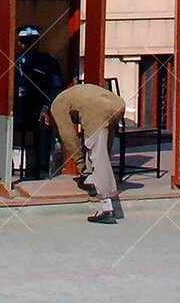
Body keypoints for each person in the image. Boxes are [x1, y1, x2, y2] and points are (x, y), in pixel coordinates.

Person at [49, 82, 125, 223]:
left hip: (97, 108)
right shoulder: (73, 94)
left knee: (98, 156)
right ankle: (92, 180)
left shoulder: (56, 105)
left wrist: (80, 164)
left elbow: (68, 136)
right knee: (100, 150)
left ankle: (107, 208)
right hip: (117, 103)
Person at [13, 26, 64, 180]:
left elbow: (55, 87)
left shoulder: (48, 61)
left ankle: (42, 167)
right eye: (23, 41)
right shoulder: (14, 60)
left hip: (38, 106)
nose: (26, 45)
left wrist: (46, 106)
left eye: (30, 41)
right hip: (17, 107)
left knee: (43, 122)